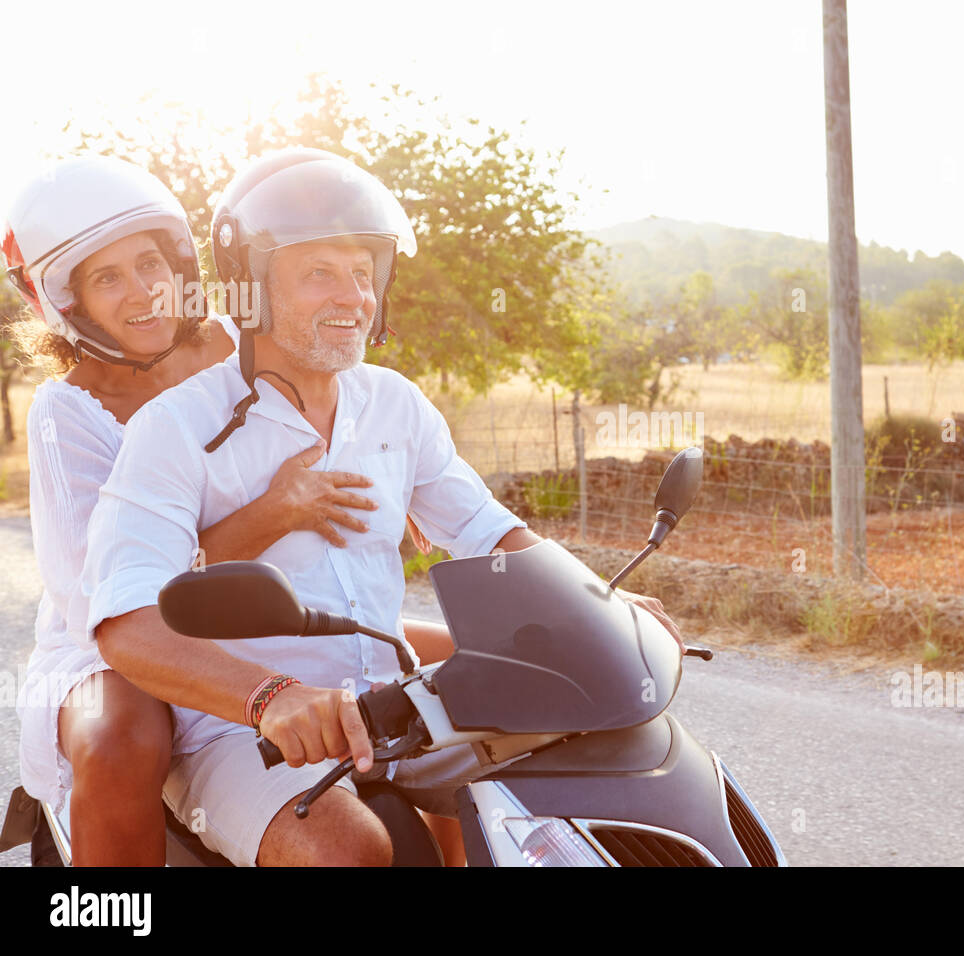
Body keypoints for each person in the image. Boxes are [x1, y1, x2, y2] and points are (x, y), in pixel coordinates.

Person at [83, 147, 682, 866]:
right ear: (251, 286)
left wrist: (597, 607)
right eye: (319, 274)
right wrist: (272, 696)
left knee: (559, 802)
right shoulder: (177, 428)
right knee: (348, 850)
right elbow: (127, 623)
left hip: (403, 703)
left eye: (363, 274)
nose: (352, 298)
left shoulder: (395, 405)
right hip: (242, 730)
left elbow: (491, 534)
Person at [3, 155, 404, 865]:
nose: (143, 293)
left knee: (442, 648)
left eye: (151, 263)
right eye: (107, 277)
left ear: (183, 264)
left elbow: (351, 422)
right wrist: (275, 513)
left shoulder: (240, 342)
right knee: (123, 732)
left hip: (262, 606)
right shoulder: (68, 412)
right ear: (68, 302)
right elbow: (98, 596)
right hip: (116, 638)